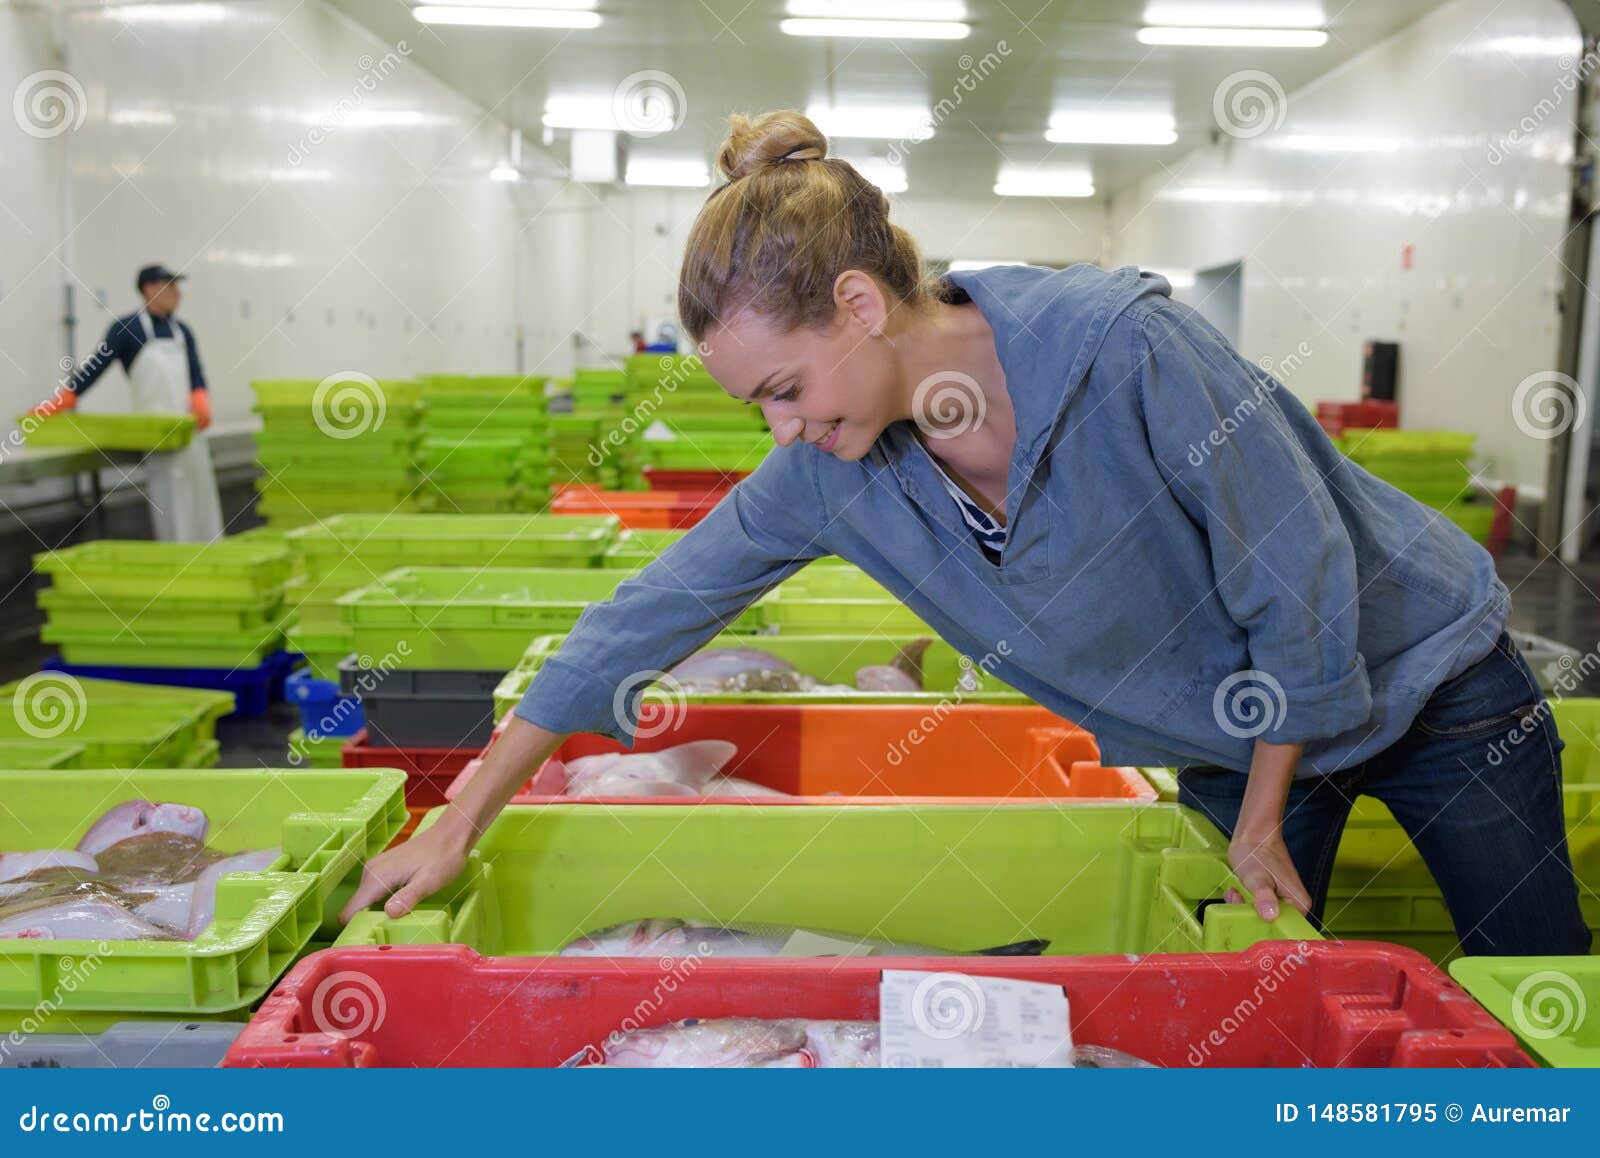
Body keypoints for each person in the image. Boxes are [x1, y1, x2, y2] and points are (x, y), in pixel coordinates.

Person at [340, 111, 1590, 959]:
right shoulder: (831, 472)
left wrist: (1264, 815)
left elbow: (1299, 573)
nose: (780, 431)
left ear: (858, 302)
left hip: (1434, 688)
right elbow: (639, 623)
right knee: (1234, 994)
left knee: (1530, 978)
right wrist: (463, 817)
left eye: (784, 389)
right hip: (1233, 732)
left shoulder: (1120, 348)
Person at [29, 264, 223, 542]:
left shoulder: (182, 331)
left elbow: (195, 373)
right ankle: (180, 565)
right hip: (157, 437)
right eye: (171, 286)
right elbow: (94, 368)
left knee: (201, 500)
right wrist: (62, 401)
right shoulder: (126, 329)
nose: (178, 294)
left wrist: (201, 398)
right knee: (170, 504)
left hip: (190, 434)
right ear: (150, 288)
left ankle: (211, 559)